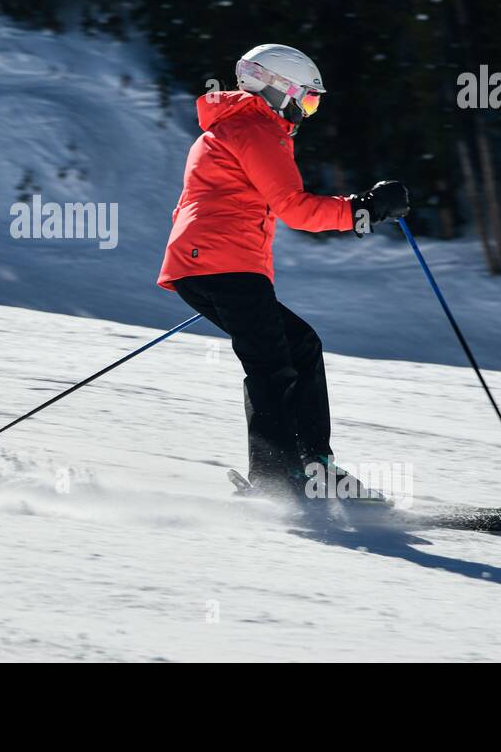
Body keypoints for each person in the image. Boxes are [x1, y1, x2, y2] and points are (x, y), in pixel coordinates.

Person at [157, 43, 409, 495]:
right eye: (308, 99)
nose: (307, 112)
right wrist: (363, 209)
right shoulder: (255, 129)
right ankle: (280, 478)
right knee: (273, 364)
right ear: (278, 89)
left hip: (213, 263)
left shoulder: (236, 126)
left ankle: (311, 467)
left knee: (299, 347)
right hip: (223, 263)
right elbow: (294, 209)